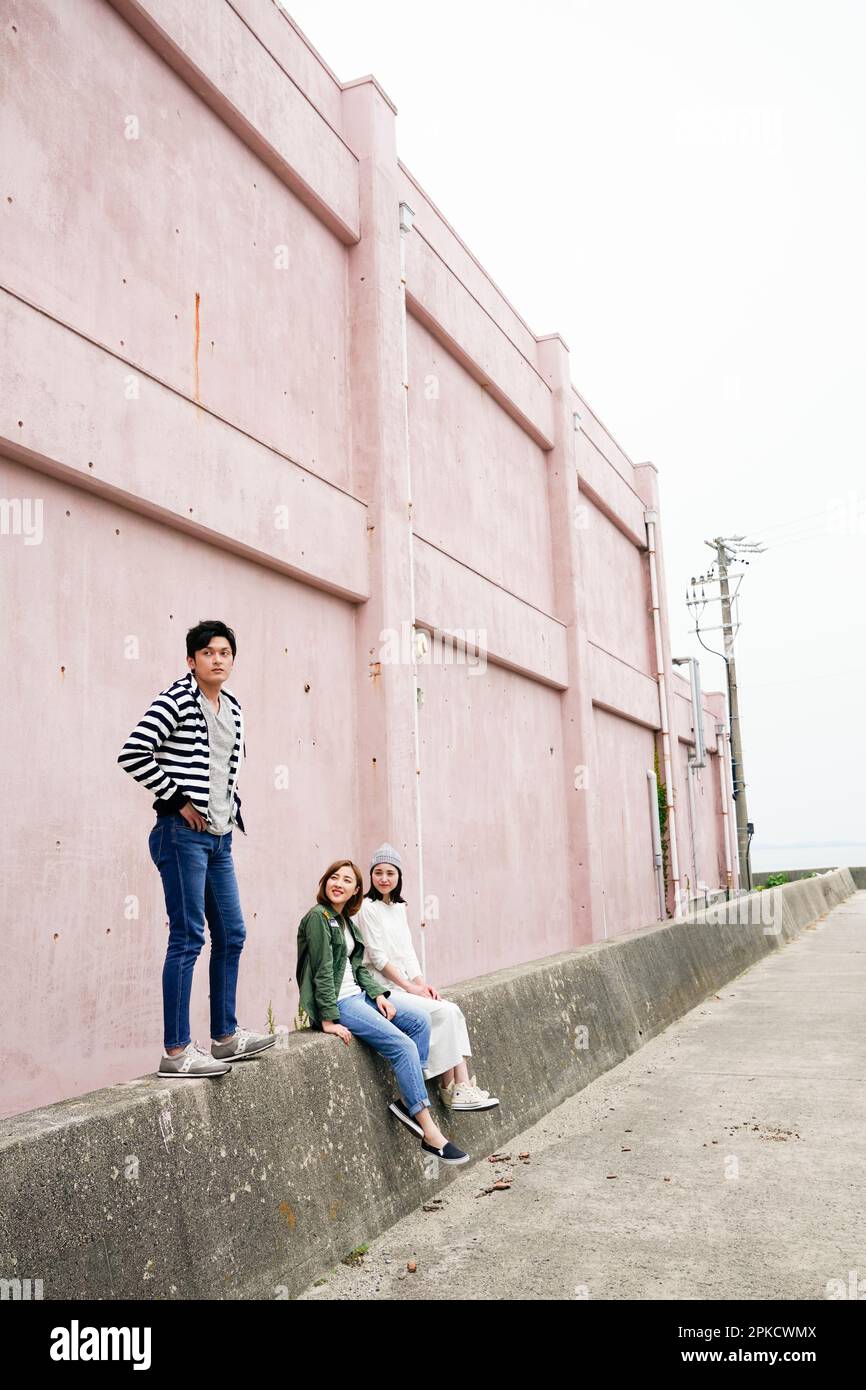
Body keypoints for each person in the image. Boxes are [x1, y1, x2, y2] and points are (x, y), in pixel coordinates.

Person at [118, 619, 275, 1078]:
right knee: (188, 937)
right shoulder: (176, 699)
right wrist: (177, 800)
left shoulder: (234, 708)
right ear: (192, 660)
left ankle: (225, 1038)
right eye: (208, 652)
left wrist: (227, 810)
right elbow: (132, 752)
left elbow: (224, 769)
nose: (217, 659)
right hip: (180, 836)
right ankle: (177, 1051)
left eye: (225, 652)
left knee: (232, 933)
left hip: (219, 839)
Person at [296, 860, 470, 1164]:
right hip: (342, 1004)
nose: (339, 883)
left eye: (347, 880)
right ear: (324, 882)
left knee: (419, 1021)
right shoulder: (318, 918)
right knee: (403, 1046)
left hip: (360, 996)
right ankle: (430, 1133)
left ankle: (407, 1102)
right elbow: (323, 972)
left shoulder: (345, 921)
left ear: (355, 891)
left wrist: (377, 995)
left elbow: (356, 968)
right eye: (334, 877)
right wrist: (326, 1019)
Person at [356, 844, 499, 1112]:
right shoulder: (367, 908)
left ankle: (456, 1088)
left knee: (447, 1010)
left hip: (404, 985)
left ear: (399, 877)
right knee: (446, 1013)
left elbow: (407, 952)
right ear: (371, 875)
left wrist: (421, 984)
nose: (384, 878)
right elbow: (377, 957)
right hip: (382, 988)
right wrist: (409, 987)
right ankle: (457, 1088)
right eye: (378, 872)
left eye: (390, 872)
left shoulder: (398, 907)